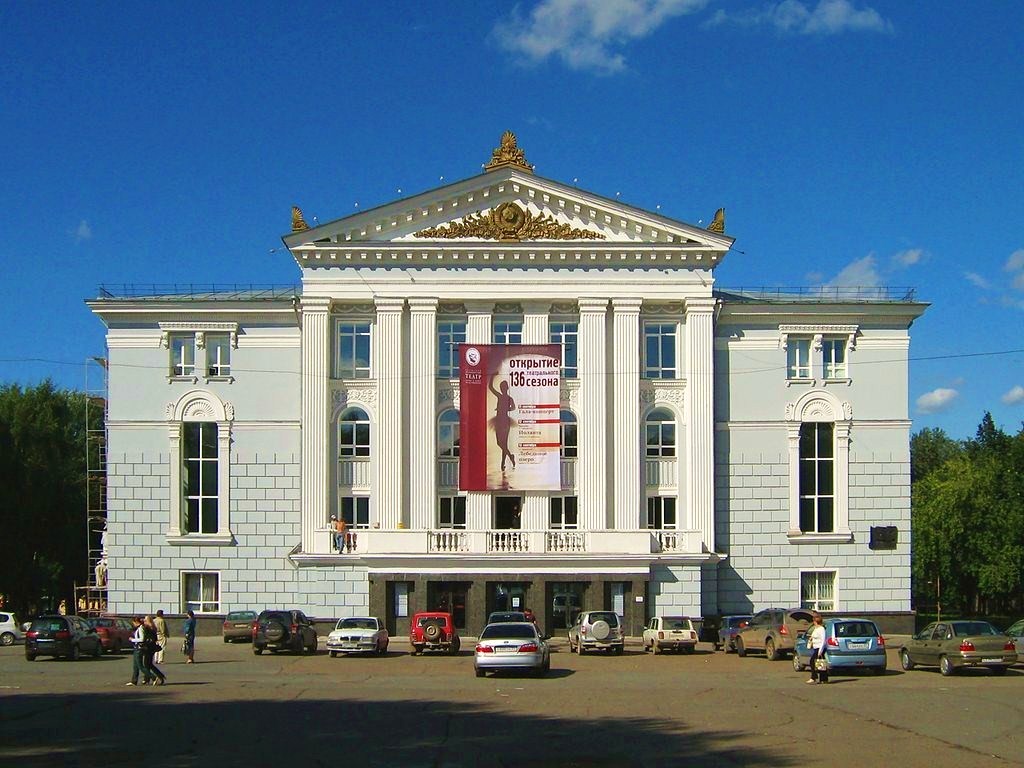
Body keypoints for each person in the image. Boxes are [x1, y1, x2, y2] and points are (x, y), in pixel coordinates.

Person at [487, 375, 516, 471]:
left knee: (502, 443)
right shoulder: (501, 396)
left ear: (506, 388)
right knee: (500, 443)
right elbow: (490, 387)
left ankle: (503, 463)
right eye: (501, 387)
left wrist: (504, 409)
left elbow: (513, 407)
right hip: (501, 420)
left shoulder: (507, 398)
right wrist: (493, 377)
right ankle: (510, 456)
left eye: (503, 387)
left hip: (502, 420)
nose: (502, 389)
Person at [126, 616, 151, 686]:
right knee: (135, 666)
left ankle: (153, 677)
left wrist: (132, 640)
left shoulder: (140, 628)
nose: (133, 624)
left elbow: (142, 639)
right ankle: (134, 681)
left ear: (136, 622)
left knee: (140, 666)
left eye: (133, 623)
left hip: (139, 648)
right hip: (136, 648)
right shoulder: (139, 628)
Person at [806, 612, 829, 685]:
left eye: (814, 621)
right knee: (821, 664)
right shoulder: (816, 629)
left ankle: (813, 677)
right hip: (816, 647)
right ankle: (824, 679)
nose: (813, 622)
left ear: (816, 621)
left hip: (820, 648)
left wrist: (820, 650)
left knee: (812, 661)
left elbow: (823, 640)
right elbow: (813, 636)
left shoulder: (821, 629)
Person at [142, 615, 166, 685]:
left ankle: (159, 676)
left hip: (148, 647)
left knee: (147, 664)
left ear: (147, 621)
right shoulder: (153, 627)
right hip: (152, 647)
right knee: (148, 664)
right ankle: (147, 678)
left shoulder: (148, 628)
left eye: (145, 620)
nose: (144, 621)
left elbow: (147, 637)